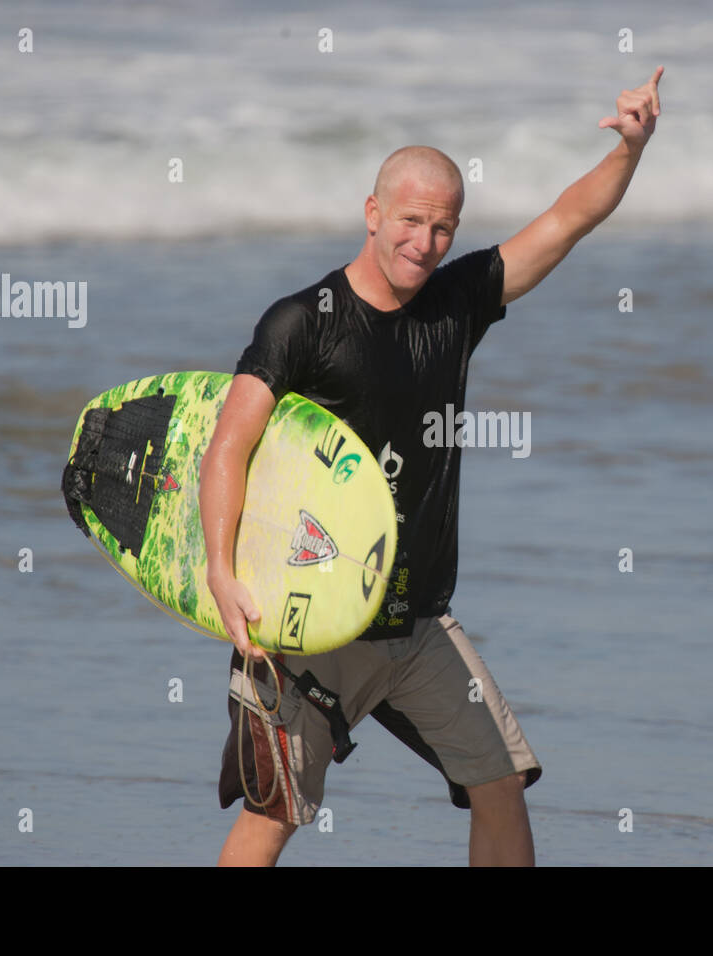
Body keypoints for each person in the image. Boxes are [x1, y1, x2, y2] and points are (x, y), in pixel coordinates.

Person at [199, 66, 663, 866]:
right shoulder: (301, 324)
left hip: (416, 620)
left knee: (500, 782)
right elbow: (228, 445)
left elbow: (564, 222)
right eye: (410, 220)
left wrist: (631, 148)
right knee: (274, 813)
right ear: (373, 214)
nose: (425, 242)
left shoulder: (455, 306)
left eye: (443, 227)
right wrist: (219, 567)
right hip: (311, 619)